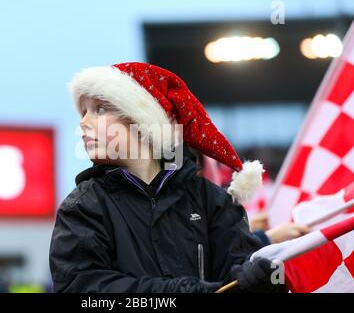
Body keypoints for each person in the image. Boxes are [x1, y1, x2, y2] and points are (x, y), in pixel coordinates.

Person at [49, 62, 286, 293]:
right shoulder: (82, 207)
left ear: (143, 121)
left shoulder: (212, 200)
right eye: (83, 111)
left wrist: (267, 283)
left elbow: (238, 273)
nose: (82, 123)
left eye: (99, 109)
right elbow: (82, 288)